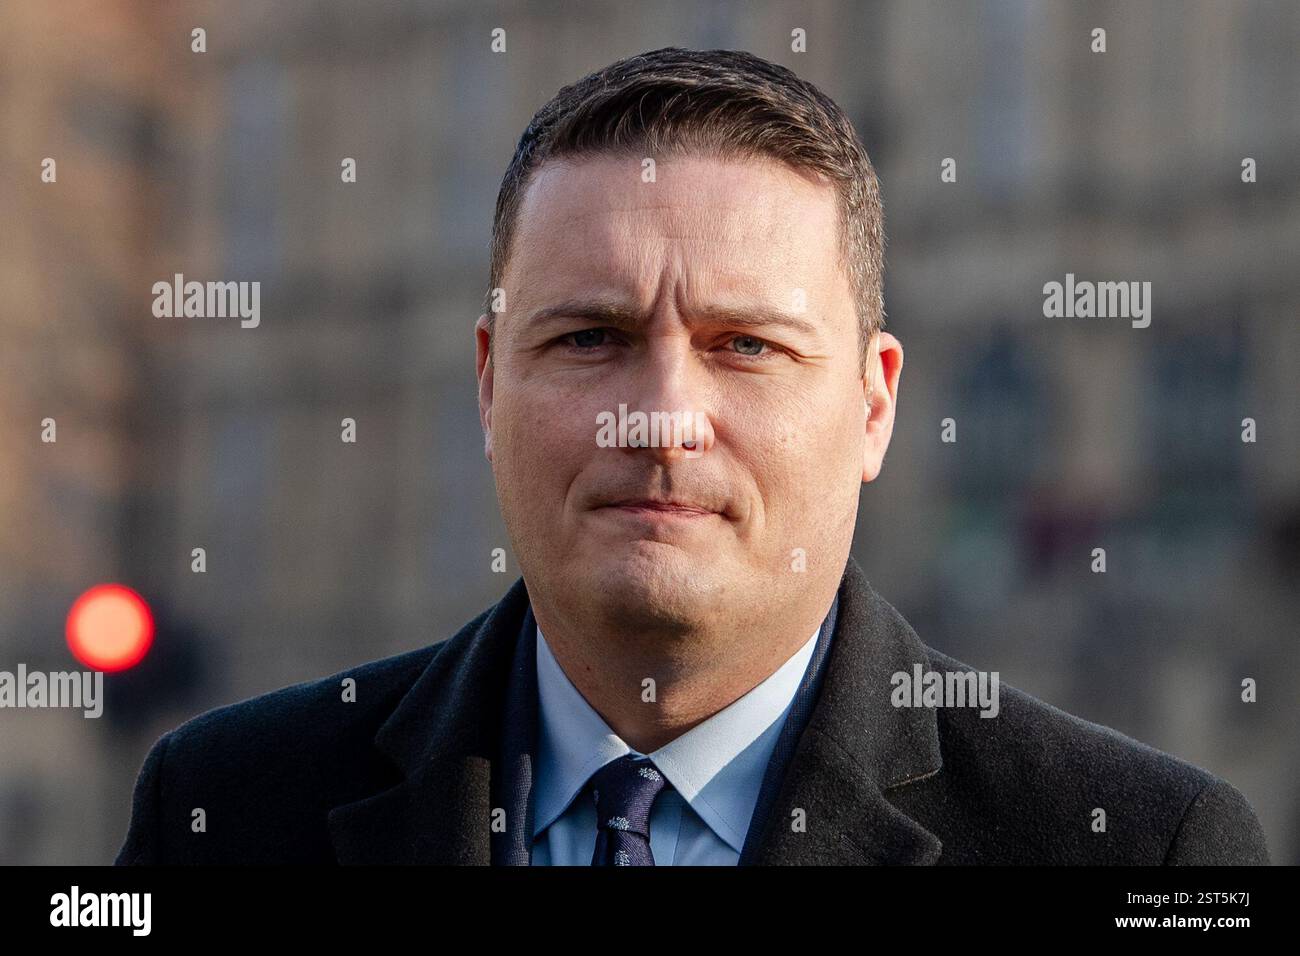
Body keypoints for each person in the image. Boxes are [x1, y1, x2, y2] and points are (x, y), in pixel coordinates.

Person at [116, 47, 1269, 866]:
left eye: (746, 346)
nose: (660, 418)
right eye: (590, 339)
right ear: (486, 381)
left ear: (874, 406)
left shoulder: (1137, 846)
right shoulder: (223, 810)